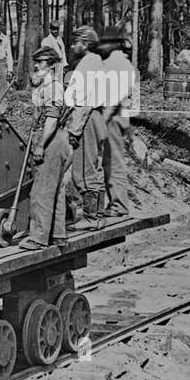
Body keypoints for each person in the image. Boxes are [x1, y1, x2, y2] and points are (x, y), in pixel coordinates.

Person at [20, 45, 72, 250]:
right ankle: (58, 234)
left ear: (51, 65)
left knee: (41, 190)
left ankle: (39, 237)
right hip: (56, 138)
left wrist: (41, 145)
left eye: (41, 62)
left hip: (52, 139)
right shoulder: (45, 85)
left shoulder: (52, 87)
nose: (36, 65)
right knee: (56, 189)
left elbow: (51, 119)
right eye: (36, 61)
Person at [63, 25, 107, 230]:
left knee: (83, 170)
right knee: (94, 168)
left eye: (76, 43)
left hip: (87, 118)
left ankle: (92, 218)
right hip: (96, 117)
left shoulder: (88, 64)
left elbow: (83, 100)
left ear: (86, 44)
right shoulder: (95, 62)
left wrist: (75, 129)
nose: (72, 46)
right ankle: (97, 216)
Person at [97, 25, 137, 217]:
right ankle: (114, 202)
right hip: (114, 117)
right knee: (109, 163)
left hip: (113, 118)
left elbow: (114, 98)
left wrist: (103, 121)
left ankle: (119, 204)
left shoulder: (118, 63)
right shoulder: (116, 62)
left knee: (114, 163)